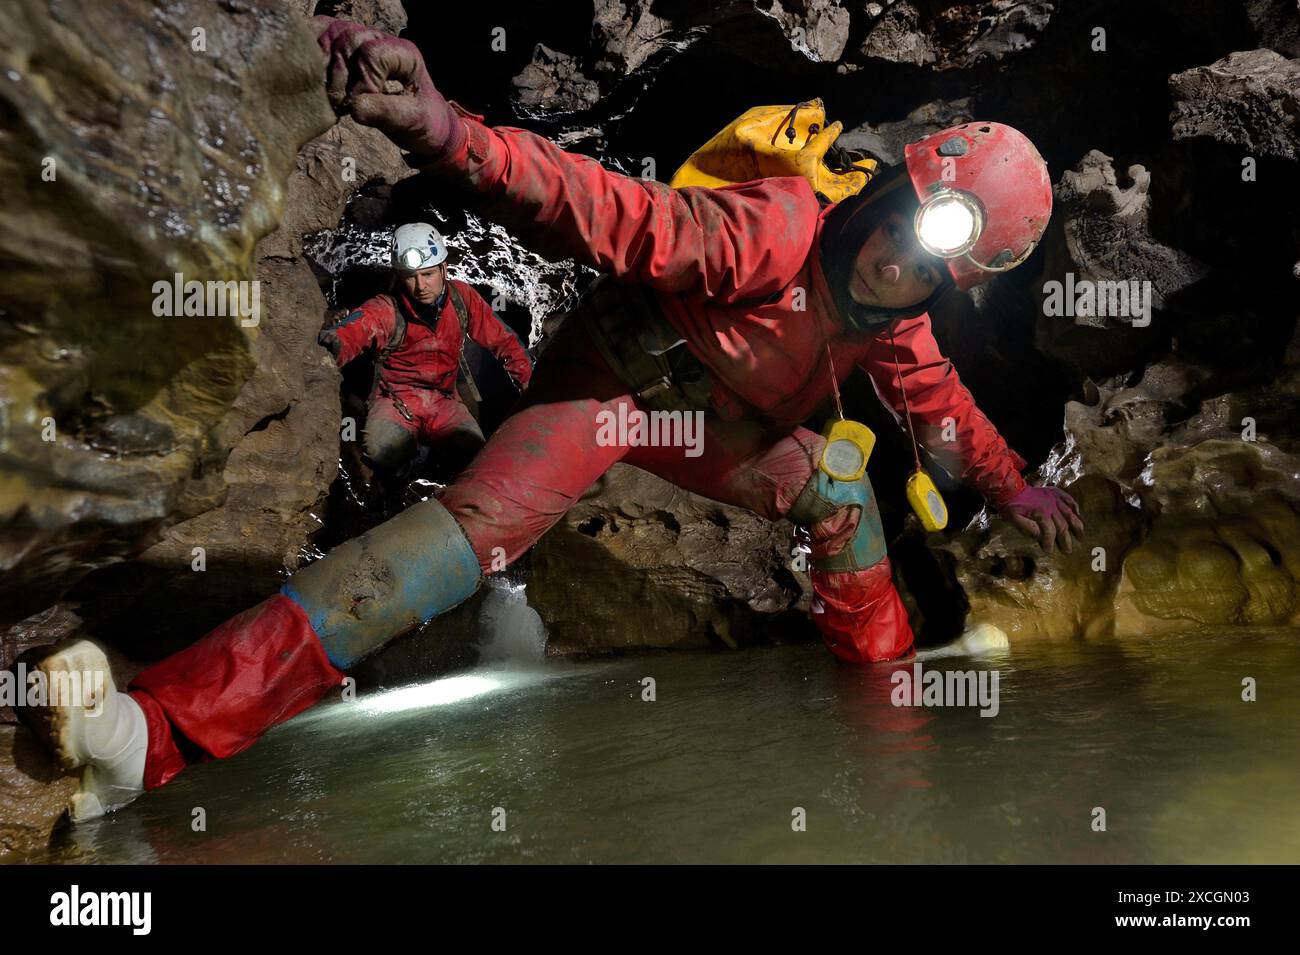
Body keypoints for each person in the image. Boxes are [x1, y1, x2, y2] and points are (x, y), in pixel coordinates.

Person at [20, 17, 1084, 821]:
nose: (899, 259)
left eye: (935, 265)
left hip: (720, 434)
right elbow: (602, 206)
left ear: (955, 284)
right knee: (458, 546)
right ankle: (149, 737)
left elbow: (946, 409)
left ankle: (885, 722)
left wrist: (1014, 486)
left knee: (844, 492)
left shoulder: (895, 325)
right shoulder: (773, 230)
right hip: (615, 390)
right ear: (891, 190)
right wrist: (447, 135)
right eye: (908, 224)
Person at [319, 223, 532, 487]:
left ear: (444, 269)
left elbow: (504, 340)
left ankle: (434, 472)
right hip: (396, 400)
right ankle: (399, 482)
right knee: (381, 453)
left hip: (444, 400)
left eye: (428, 274)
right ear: (398, 276)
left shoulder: (461, 298)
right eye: (411, 276)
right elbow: (358, 328)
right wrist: (332, 345)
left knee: (475, 455)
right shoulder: (387, 308)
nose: (421, 286)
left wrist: (528, 380)